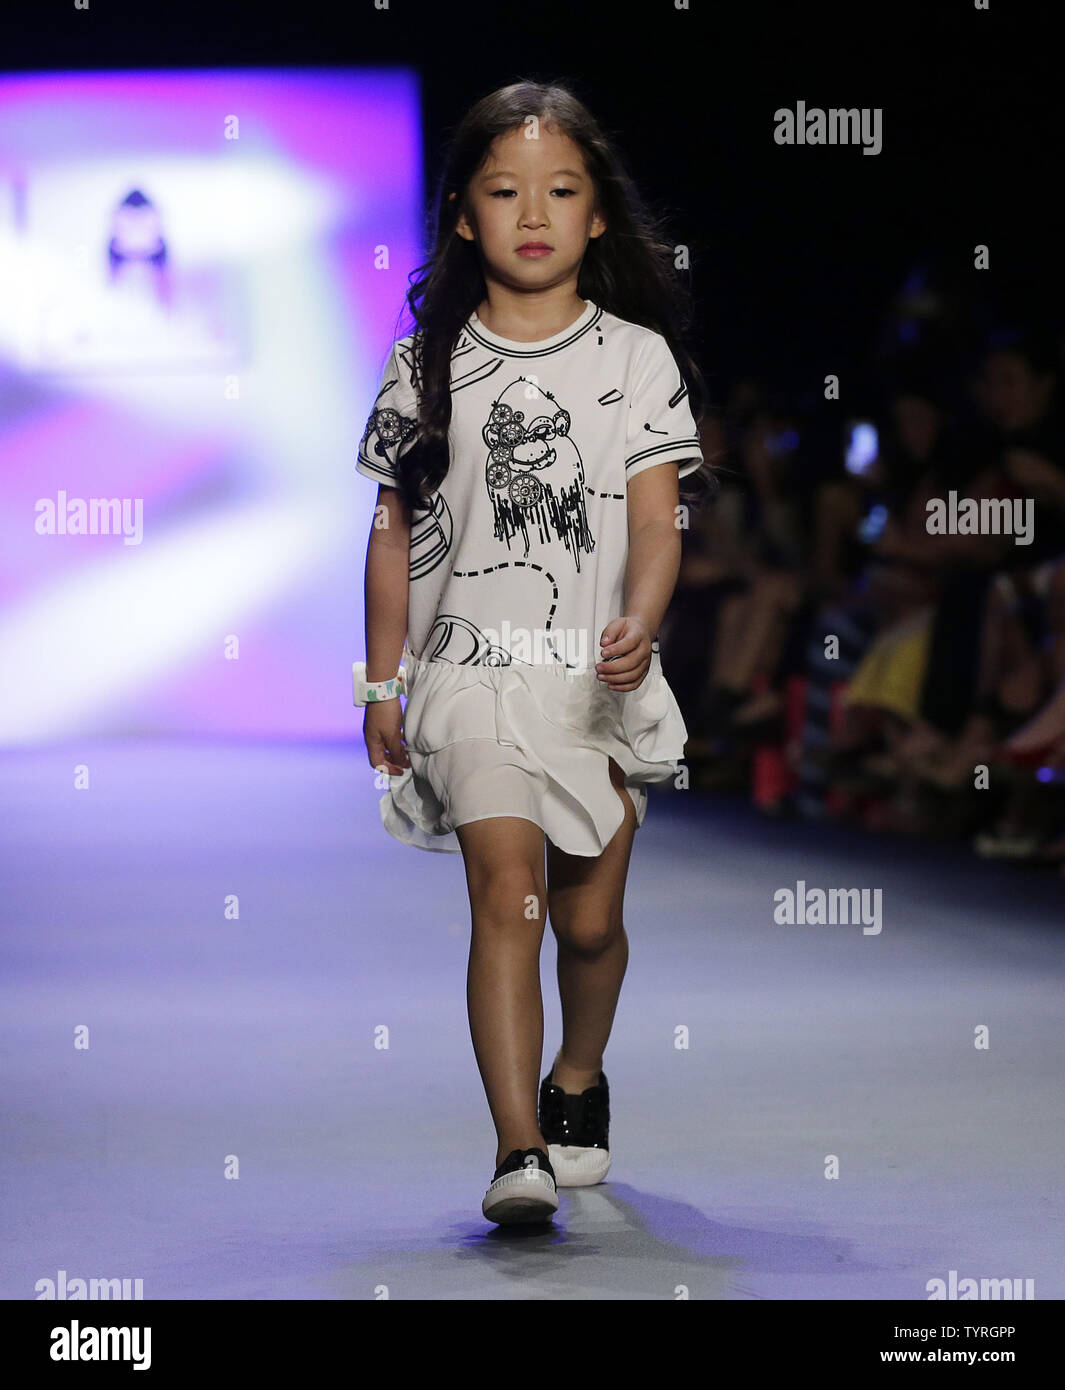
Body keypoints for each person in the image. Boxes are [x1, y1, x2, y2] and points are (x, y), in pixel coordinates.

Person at [354, 80, 712, 1225]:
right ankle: (517, 1150)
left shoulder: (639, 358)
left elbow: (659, 521)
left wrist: (642, 620)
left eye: (560, 190)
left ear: (598, 212)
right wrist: (380, 678)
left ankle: (577, 1077)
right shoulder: (425, 365)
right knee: (505, 892)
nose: (533, 213)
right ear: (463, 215)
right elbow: (393, 531)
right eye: (503, 192)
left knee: (588, 925)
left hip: (591, 675)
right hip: (467, 673)